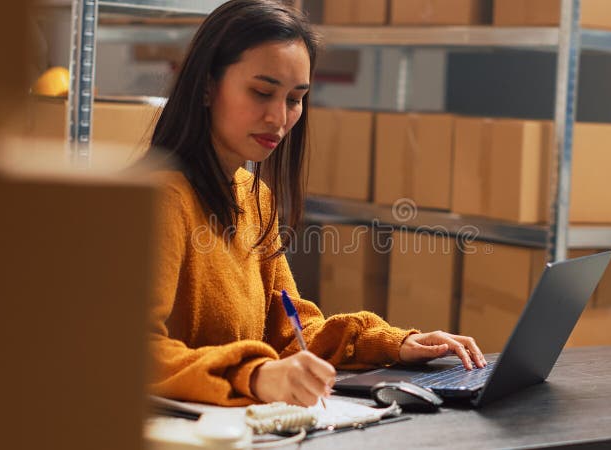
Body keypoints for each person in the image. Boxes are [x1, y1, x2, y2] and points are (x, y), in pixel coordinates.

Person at [144, 0, 485, 407]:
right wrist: (254, 375)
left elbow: (292, 331)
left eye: (294, 99)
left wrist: (397, 343)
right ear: (205, 85)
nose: (279, 117)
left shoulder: (254, 197)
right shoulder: (157, 199)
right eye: (262, 92)